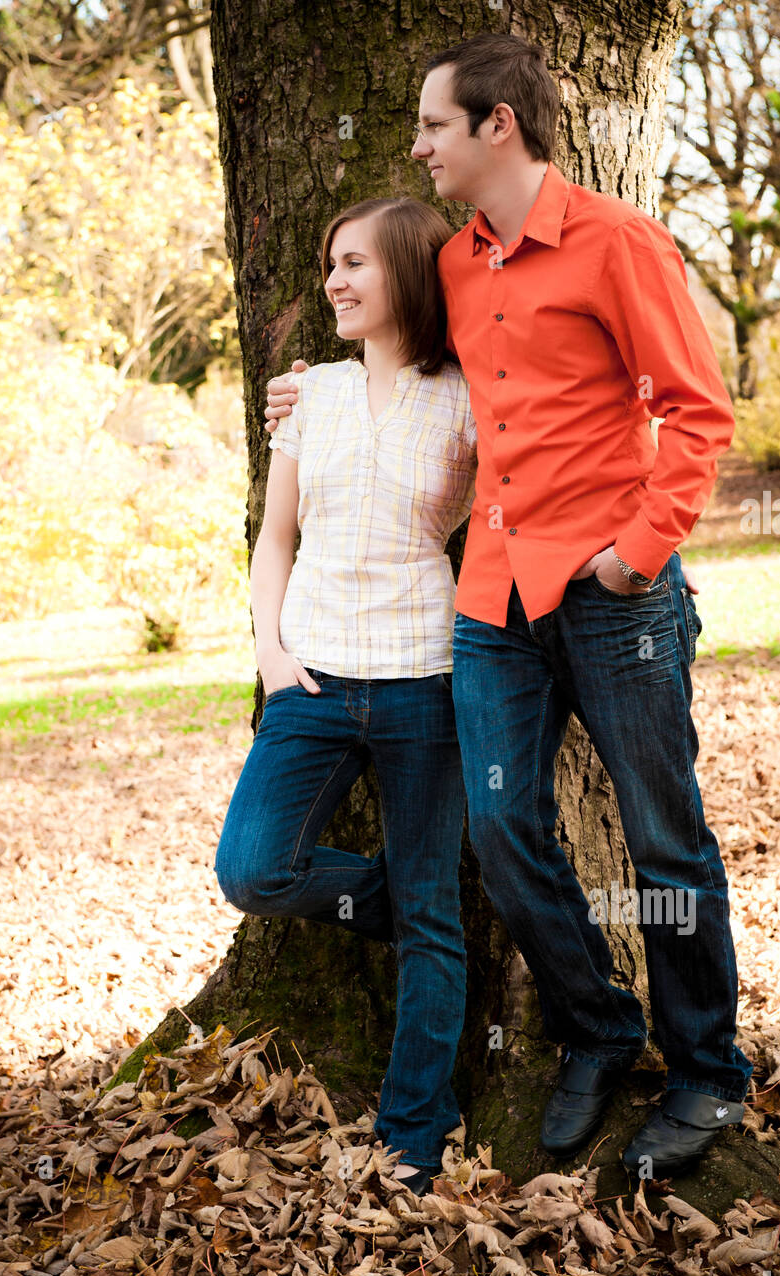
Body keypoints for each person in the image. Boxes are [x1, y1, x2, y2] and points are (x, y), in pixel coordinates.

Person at [264, 32, 752, 1178]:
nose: (419, 143)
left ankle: (707, 1074)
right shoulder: (453, 263)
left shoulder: (617, 243)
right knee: (500, 830)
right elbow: (394, 359)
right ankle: (596, 1026)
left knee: (661, 843)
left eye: (435, 124)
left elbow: (694, 413)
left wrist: (636, 557)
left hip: (614, 602)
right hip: (490, 603)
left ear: (498, 125)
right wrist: (309, 386)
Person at [215, 196, 479, 1197]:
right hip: (312, 681)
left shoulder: (466, 398)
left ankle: (413, 1132)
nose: (334, 280)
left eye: (355, 262)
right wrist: (273, 655)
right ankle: (402, 903)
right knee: (253, 869)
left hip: (424, 680)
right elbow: (274, 537)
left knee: (433, 921)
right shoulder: (310, 393)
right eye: (330, 262)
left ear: (409, 273)